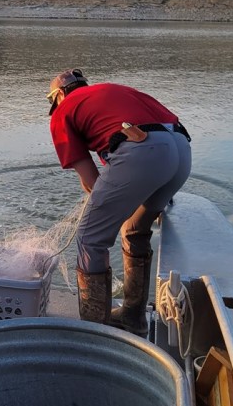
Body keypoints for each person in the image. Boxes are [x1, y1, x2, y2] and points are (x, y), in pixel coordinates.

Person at [47, 69, 191, 334]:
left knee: (90, 239)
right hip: (181, 149)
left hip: (142, 151)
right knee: (135, 230)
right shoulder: (112, 91)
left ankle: (95, 333)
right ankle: (133, 317)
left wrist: (102, 210)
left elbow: (91, 181)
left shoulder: (62, 111)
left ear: (58, 95)